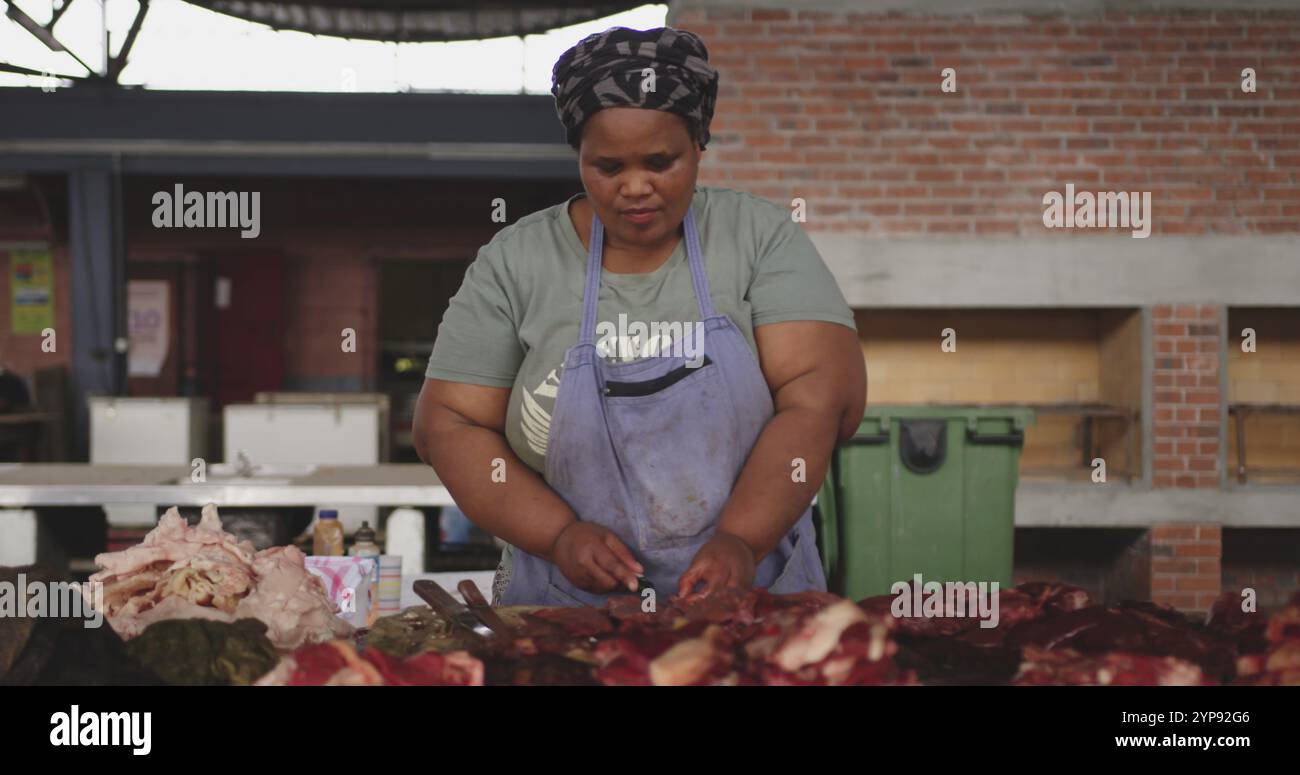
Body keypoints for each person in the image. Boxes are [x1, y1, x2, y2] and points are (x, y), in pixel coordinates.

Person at [413, 26, 866, 607]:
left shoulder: (758, 238)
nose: (635, 187)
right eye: (607, 166)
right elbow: (448, 425)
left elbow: (821, 402)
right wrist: (557, 535)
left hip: (755, 597)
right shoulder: (517, 262)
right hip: (564, 606)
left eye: (660, 162)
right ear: (579, 156)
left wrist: (743, 540)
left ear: (698, 144)